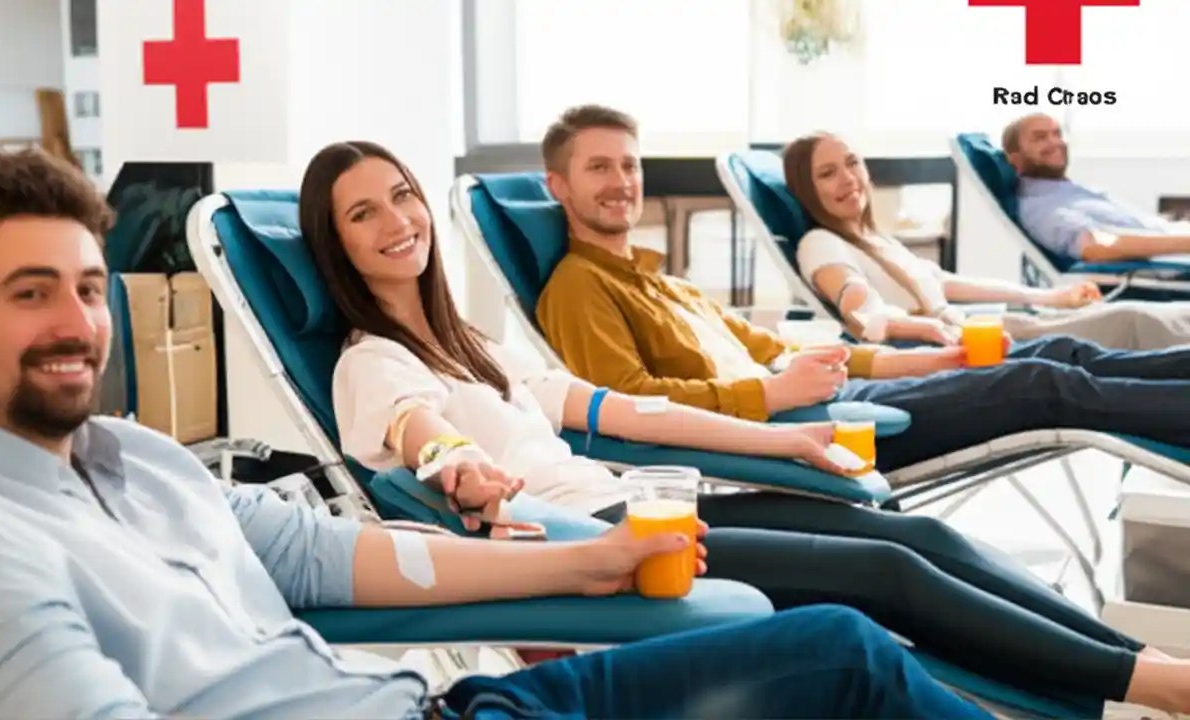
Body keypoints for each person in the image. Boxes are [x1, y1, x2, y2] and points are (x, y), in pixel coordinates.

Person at [0, 153, 1000, 720]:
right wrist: (457, 466)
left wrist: (587, 563)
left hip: (441, 702)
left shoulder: (135, 457)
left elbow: (328, 554)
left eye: (91, 290)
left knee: (838, 652)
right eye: (30, 293)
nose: (77, 325)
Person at [315, 139, 1190, 714]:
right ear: (336, 247)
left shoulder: (477, 342)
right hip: (603, 542)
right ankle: (1158, 685)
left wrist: (785, 439)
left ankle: (1132, 660)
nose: (398, 222)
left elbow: (618, 410)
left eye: (402, 196)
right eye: (364, 214)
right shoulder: (370, 363)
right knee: (883, 570)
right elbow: (421, 432)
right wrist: (457, 462)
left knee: (916, 535)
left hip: (647, 506)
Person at [535, 103, 1190, 475]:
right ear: (557, 186)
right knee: (1041, 384)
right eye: (598, 168)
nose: (621, 181)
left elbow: (777, 340)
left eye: (628, 164)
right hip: (812, 428)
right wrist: (768, 392)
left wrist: (925, 360)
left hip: (837, 390)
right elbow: (629, 402)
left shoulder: (666, 282)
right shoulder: (577, 287)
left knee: (1057, 357)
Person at [787, 131, 1190, 350]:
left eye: (852, 163)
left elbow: (946, 282)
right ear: (808, 190)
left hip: (976, 326)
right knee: (1131, 321)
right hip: (959, 342)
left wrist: (1047, 298)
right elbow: (858, 306)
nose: (848, 179)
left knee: (1143, 316)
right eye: (827, 173)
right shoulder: (821, 244)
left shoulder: (875, 240)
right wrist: (921, 329)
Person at [1005, 112, 1190, 263]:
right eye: (1039, 138)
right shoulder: (1040, 207)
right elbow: (1096, 245)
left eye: (1057, 134)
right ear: (1014, 158)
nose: (1056, 142)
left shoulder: (1068, 191)